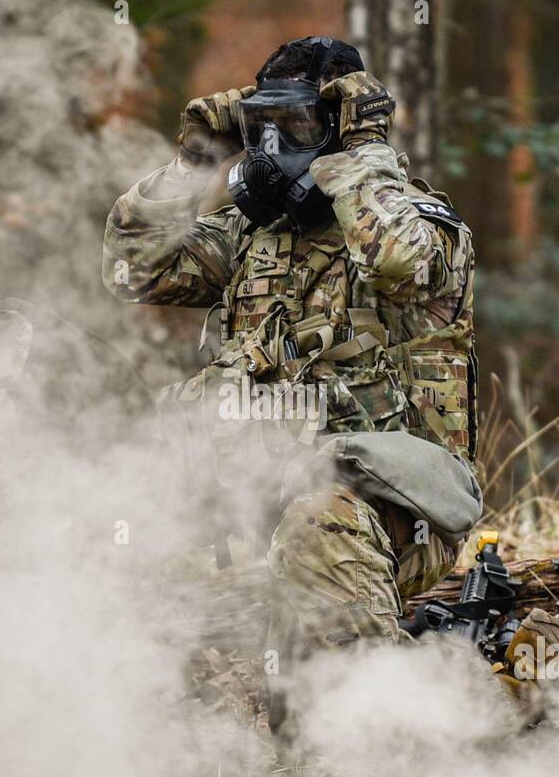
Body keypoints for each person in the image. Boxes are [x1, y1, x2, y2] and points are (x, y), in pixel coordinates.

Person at [102, 37, 484, 721]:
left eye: (299, 125)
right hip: (252, 490)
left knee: (318, 521)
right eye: (262, 126)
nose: (275, 147)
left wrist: (365, 151)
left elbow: (398, 261)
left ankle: (365, 746)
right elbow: (135, 268)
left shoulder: (423, 229)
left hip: (392, 508)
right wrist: (197, 160)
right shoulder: (255, 236)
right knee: (107, 526)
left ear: (343, 128)